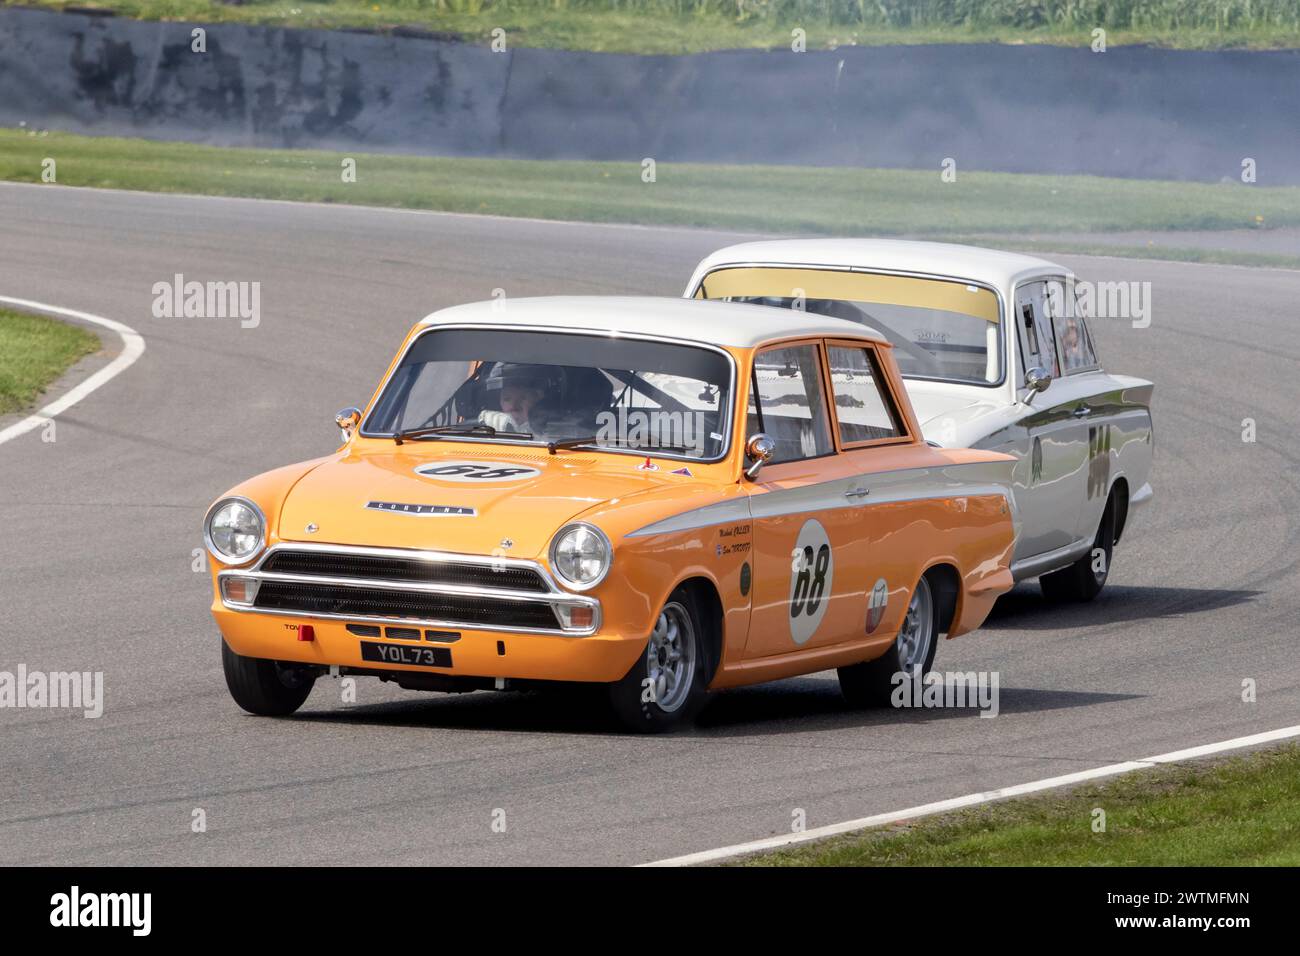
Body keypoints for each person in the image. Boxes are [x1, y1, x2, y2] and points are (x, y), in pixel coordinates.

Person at [477, 363, 551, 436]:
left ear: (538, 400)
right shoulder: (483, 426)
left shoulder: (553, 433)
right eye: (507, 399)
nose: (513, 407)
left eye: (522, 398)